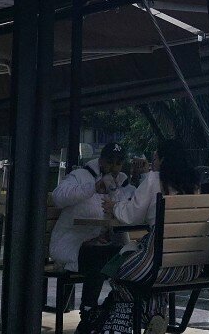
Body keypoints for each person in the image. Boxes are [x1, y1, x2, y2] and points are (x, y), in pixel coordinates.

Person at [90, 139, 200, 334]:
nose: (153, 162)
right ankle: (156, 314)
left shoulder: (153, 179)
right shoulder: (193, 182)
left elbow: (132, 215)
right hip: (188, 266)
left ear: (163, 159)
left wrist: (113, 207)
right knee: (147, 279)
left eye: (155, 157)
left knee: (115, 272)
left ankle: (148, 316)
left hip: (155, 264)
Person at [49, 142, 130, 332]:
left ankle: (111, 311)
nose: (113, 167)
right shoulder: (80, 176)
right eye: (110, 162)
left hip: (100, 246)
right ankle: (88, 314)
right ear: (101, 161)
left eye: (118, 163)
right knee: (101, 259)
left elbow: (135, 205)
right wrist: (92, 188)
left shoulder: (122, 184)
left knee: (126, 258)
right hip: (70, 245)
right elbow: (58, 197)